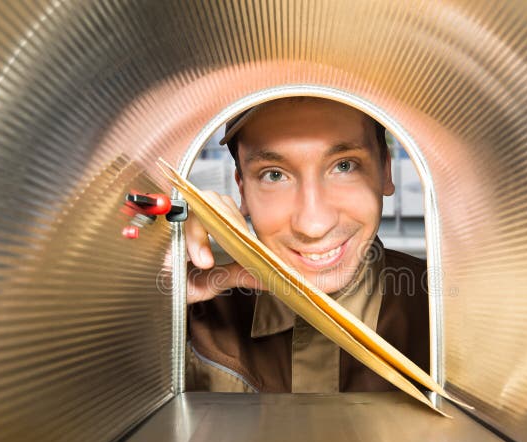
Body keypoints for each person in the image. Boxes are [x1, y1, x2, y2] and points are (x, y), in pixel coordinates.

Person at [184, 97, 429, 393]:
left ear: (385, 170)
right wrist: (147, 297)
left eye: (344, 166)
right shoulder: (194, 316)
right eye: (274, 175)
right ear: (243, 190)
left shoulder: (447, 315)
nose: (314, 225)